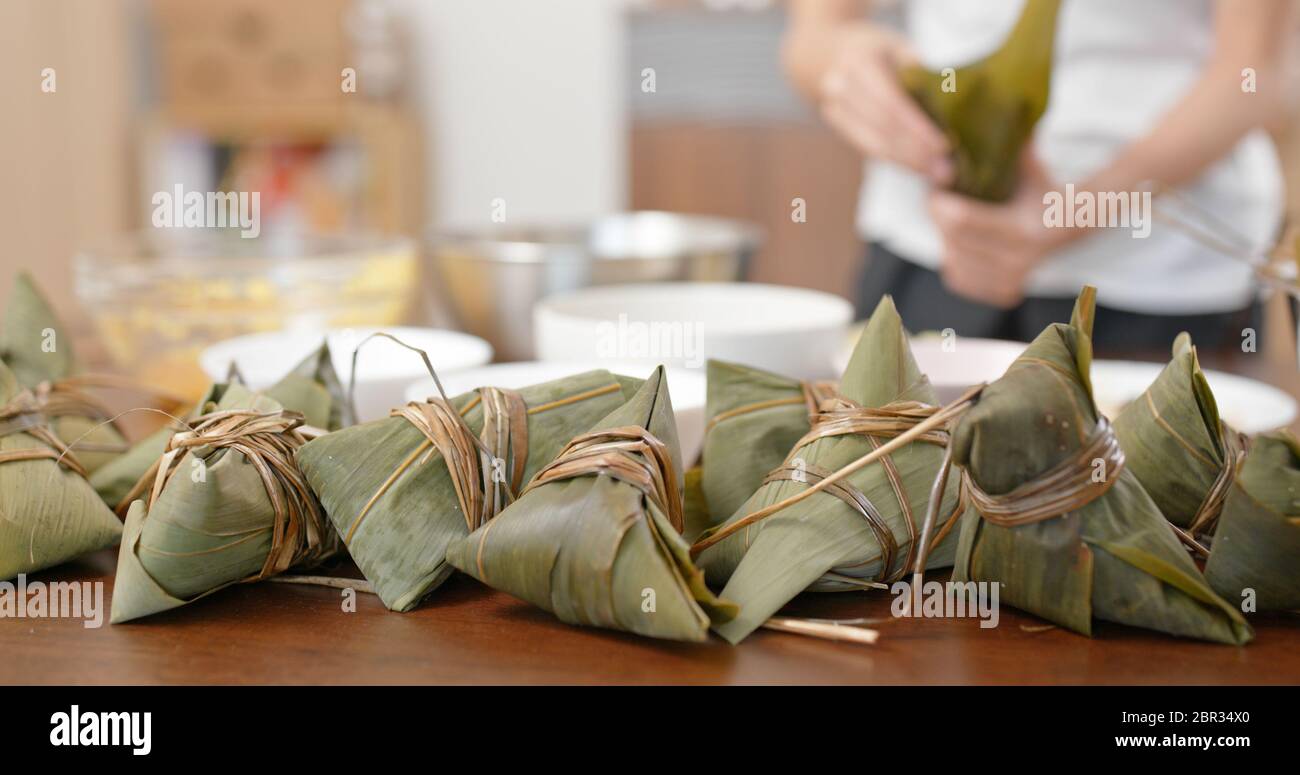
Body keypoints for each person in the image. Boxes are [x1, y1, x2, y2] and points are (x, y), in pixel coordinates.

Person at [784, 0, 1296, 350]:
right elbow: (815, 38)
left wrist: (1073, 212)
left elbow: (1257, 73)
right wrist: (850, 68)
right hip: (924, 253)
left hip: (1161, 282)